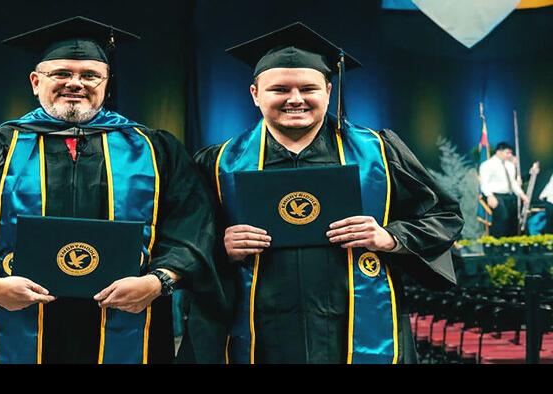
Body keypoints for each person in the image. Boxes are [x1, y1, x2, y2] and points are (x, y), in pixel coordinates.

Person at [0, 16, 217, 364]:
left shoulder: (156, 150)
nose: (75, 83)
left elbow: (192, 226)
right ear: (36, 81)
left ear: (107, 84)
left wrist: (157, 282)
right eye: (61, 73)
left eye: (90, 75)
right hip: (8, 317)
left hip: (127, 321)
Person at [181, 22, 463, 364]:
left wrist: (388, 237)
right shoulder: (218, 163)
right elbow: (183, 238)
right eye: (280, 89)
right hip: (259, 334)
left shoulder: (379, 152)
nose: (295, 99)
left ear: (328, 91)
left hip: (354, 327)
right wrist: (219, 246)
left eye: (308, 88)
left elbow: (444, 216)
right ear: (255, 94)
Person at [479, 142, 528, 237]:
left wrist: (522, 195)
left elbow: (513, 183)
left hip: (508, 195)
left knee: (513, 218)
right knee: (502, 217)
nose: (509, 155)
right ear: (499, 152)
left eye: (510, 153)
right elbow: (484, 183)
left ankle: (511, 243)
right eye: (507, 153)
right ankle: (498, 244)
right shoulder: (487, 165)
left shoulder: (510, 165)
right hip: (495, 195)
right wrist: (489, 196)